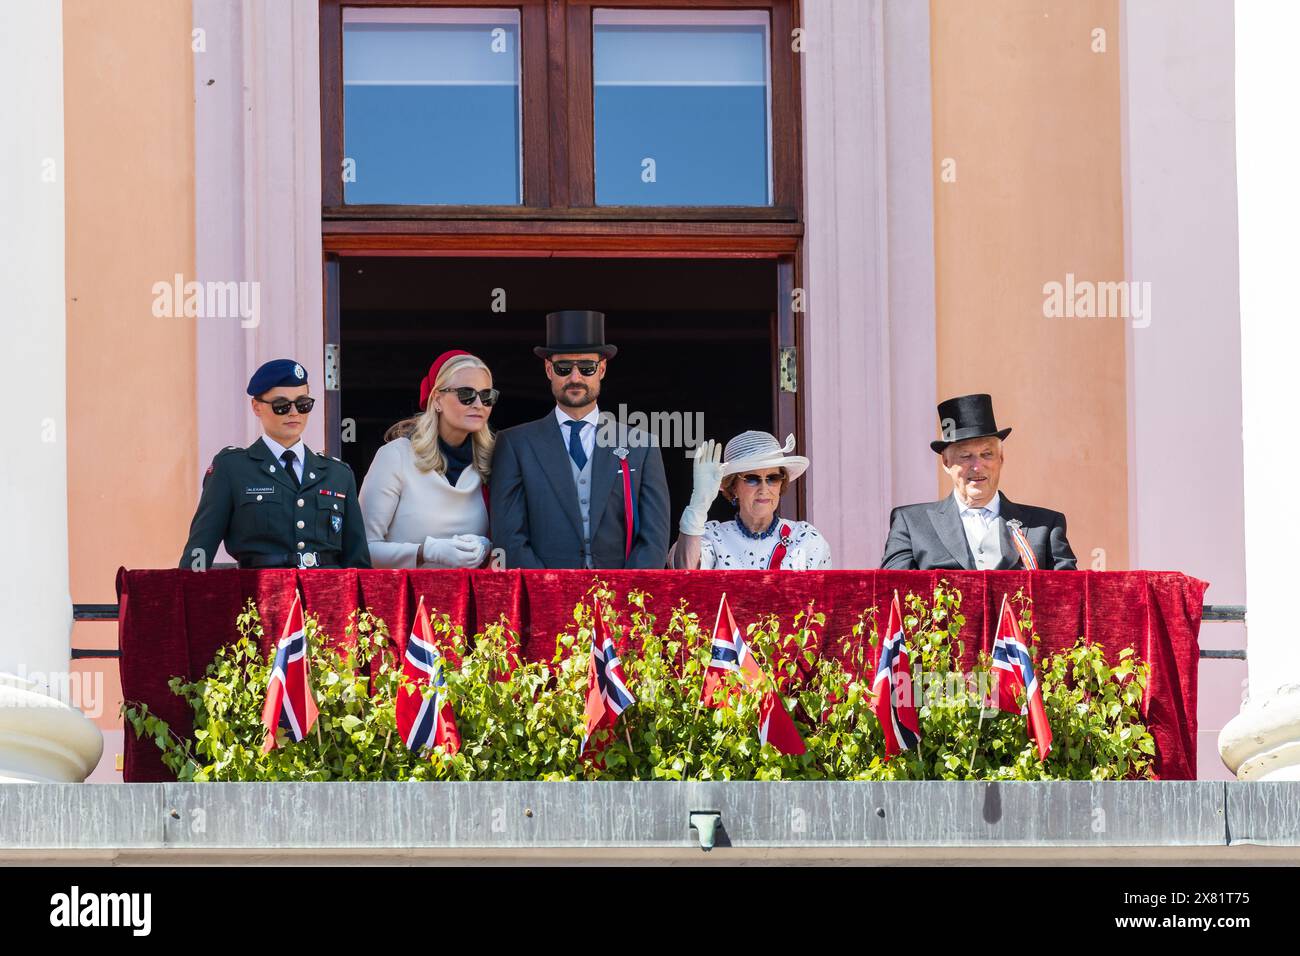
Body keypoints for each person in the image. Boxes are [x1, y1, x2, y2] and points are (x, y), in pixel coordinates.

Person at [490, 310, 670, 569]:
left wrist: (623, 595)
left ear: (602, 369)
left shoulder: (642, 444)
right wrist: (548, 591)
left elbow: (654, 538)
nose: (575, 378)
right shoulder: (515, 444)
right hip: (544, 598)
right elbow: (509, 537)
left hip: (619, 599)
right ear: (549, 369)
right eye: (564, 368)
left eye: (587, 367)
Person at [179, 359, 371, 570]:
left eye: (303, 404)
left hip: (327, 595)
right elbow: (199, 552)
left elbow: (358, 562)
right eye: (281, 406)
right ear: (257, 407)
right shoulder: (232, 468)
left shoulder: (338, 473)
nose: (294, 412)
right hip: (259, 592)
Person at [880, 393, 1076, 571]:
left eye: (987, 454)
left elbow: (1068, 597)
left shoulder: (1046, 525)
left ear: (1001, 459)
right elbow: (892, 593)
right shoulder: (912, 524)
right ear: (946, 462)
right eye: (965, 456)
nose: (977, 466)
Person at [359, 350, 495, 568]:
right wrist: (427, 551)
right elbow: (364, 548)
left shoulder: (492, 460)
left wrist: (486, 546)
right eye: (466, 394)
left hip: (467, 598)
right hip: (406, 598)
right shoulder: (396, 456)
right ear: (437, 399)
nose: (478, 404)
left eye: (487, 396)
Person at [673, 431, 831, 570]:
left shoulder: (805, 538)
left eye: (773, 478)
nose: (764, 488)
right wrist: (699, 503)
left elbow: (824, 599)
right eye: (752, 478)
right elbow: (686, 572)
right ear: (733, 486)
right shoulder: (713, 537)